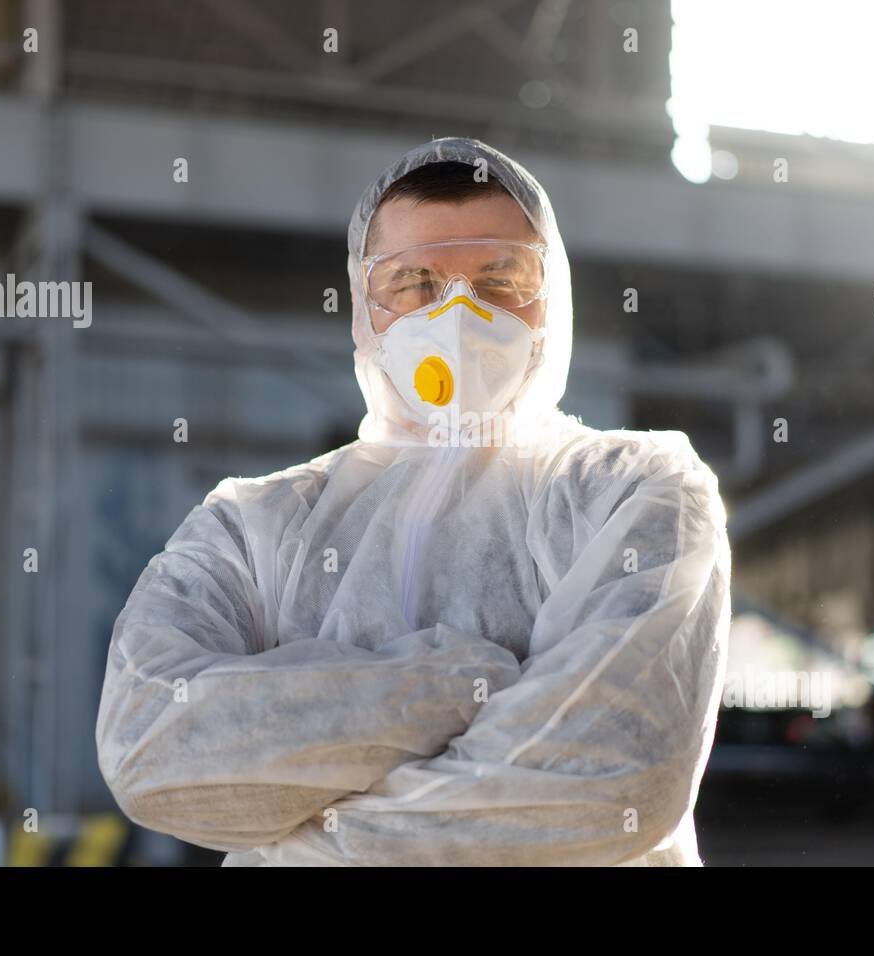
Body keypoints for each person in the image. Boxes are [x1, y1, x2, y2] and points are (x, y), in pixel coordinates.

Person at [95, 137, 732, 866]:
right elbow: (151, 745)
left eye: (501, 279)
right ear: (367, 312)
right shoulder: (254, 527)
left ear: (553, 300)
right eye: (415, 284)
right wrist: (467, 683)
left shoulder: (640, 492)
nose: (457, 315)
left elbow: (616, 775)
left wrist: (293, 843)